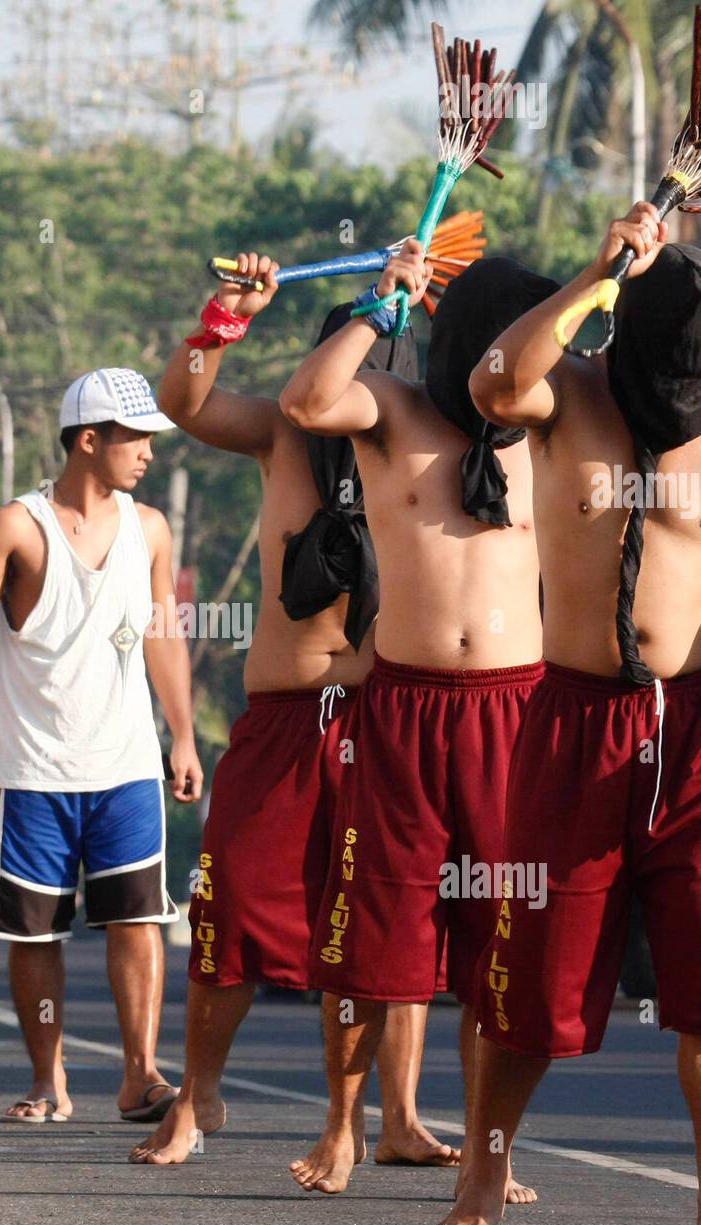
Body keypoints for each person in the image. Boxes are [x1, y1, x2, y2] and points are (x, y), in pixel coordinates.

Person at [423, 207, 701, 1225]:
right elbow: (491, 386)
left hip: (700, 727)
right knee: (529, 980)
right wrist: (594, 267)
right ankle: (476, 1190)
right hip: (570, 721)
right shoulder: (570, 393)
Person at [136, 252, 456, 1169]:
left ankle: (394, 1120)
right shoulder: (283, 432)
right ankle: (195, 1101)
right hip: (286, 719)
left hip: (389, 716)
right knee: (229, 906)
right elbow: (187, 403)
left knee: (389, 925)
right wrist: (224, 319)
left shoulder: (429, 444)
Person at [277, 243, 560, 1197]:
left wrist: (615, 271)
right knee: (372, 931)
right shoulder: (392, 414)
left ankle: (488, 1149)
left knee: (500, 939)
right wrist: (378, 301)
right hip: (402, 708)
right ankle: (342, 1128)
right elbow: (307, 403)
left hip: (518, 715)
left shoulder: (552, 427)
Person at [0, 368, 203, 1124]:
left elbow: (164, 632)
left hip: (126, 763)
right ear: (88, 440)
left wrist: (184, 735)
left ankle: (140, 1074)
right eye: (134, 439)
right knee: (36, 930)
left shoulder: (151, 528)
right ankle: (49, 1079)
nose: (148, 454)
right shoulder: (14, 526)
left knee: (138, 919)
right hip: (29, 767)